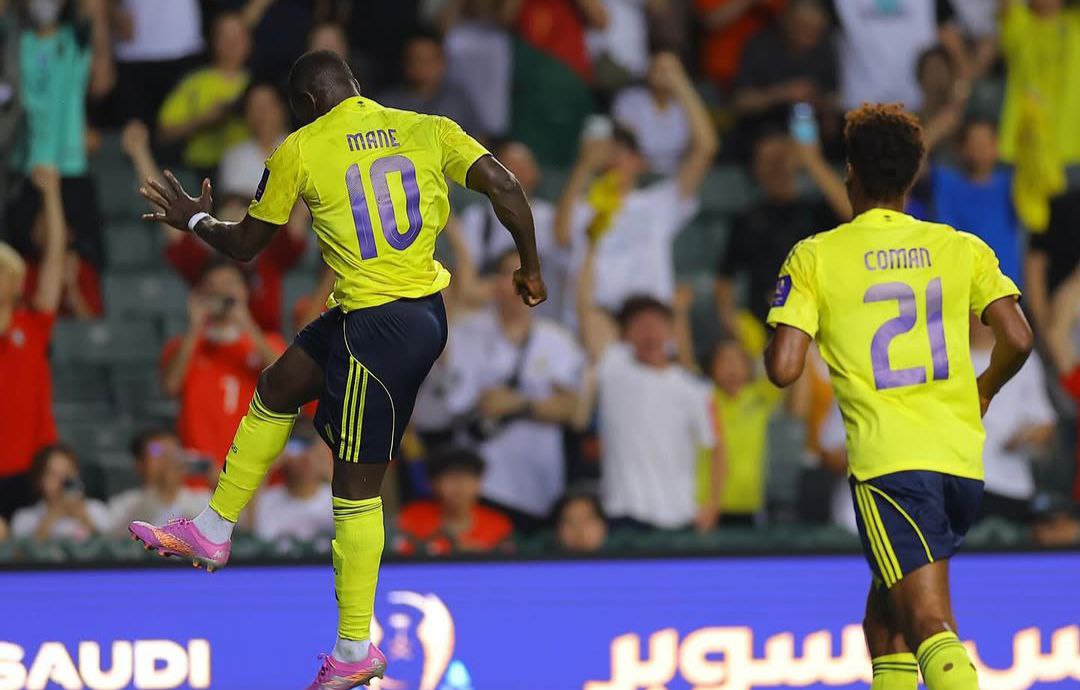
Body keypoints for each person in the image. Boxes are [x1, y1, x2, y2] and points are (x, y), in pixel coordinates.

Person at [129, 50, 546, 688]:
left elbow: (246, 245)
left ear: (306, 104)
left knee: (354, 487)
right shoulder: (428, 127)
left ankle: (354, 650)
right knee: (277, 385)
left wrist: (194, 218)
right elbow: (507, 188)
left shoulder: (300, 147)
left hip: (380, 329)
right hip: (401, 312)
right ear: (355, 85)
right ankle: (213, 528)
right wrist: (530, 267)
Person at [764, 103, 1033, 690]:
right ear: (912, 177)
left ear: (850, 172)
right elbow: (1017, 337)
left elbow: (784, 369)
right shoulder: (960, 246)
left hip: (891, 465)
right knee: (884, 623)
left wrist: (781, 315)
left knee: (926, 621)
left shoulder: (816, 255)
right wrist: (983, 389)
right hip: (960, 462)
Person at [555, 52, 717, 313]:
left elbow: (705, 147)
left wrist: (678, 82)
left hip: (647, 321)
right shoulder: (584, 206)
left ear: (641, 161)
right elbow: (561, 235)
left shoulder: (657, 202)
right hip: (595, 321)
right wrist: (584, 165)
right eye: (610, 149)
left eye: (624, 149)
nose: (615, 156)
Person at [121, 118, 307, 334]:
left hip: (263, 351)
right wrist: (139, 152)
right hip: (208, 350)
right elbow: (167, 206)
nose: (235, 220)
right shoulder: (202, 263)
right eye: (228, 215)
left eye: (243, 213)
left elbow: (304, 203)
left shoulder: (272, 256)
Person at [445, 249, 584, 530]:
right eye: (513, 275)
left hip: (540, 485)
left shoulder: (557, 340)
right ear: (496, 282)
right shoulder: (467, 331)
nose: (522, 283)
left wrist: (519, 404)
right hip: (484, 485)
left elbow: (574, 410)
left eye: (530, 274)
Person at [589, 295, 722, 531]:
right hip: (623, 512)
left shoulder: (696, 389)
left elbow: (717, 448)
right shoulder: (613, 367)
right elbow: (588, 314)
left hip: (679, 514)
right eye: (639, 326)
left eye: (656, 325)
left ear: (671, 331)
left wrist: (712, 504)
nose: (649, 333)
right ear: (625, 334)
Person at [715, 130, 848, 341]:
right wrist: (733, 324)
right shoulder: (747, 219)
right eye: (767, 161)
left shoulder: (816, 211)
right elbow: (725, 278)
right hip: (765, 331)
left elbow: (851, 212)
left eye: (781, 158)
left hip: (819, 328)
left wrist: (813, 161)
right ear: (755, 168)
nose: (776, 167)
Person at [160, 260, 286, 470]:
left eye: (229, 283)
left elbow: (285, 382)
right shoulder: (182, 346)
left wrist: (246, 322)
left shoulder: (270, 342)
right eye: (211, 285)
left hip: (257, 473)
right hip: (200, 472)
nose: (221, 291)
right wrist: (194, 327)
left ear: (245, 290)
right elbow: (171, 386)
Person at [0, 167, 64, 521]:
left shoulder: (33, 324)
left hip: (30, 467)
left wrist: (51, 195)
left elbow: (54, 257)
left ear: (17, 283)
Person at [701, 338, 804, 526]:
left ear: (749, 367)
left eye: (738, 361)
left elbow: (784, 370)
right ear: (711, 366)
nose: (732, 368)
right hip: (708, 505)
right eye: (724, 361)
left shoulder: (758, 397)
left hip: (750, 504)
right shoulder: (703, 398)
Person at [969, 317, 1056, 524]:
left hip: (1010, 488)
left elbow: (1045, 425)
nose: (976, 320)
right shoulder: (945, 360)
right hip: (960, 484)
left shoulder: (1023, 359)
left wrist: (1021, 439)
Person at [157, 11, 251, 176]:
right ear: (213, 41)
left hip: (248, 169)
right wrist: (203, 120)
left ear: (249, 41)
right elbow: (164, 131)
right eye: (225, 37)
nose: (232, 43)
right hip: (200, 171)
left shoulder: (259, 85)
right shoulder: (194, 83)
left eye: (238, 36)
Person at [932, 119, 1023, 286]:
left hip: (1004, 287)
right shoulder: (945, 182)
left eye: (986, 142)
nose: (980, 149)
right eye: (974, 142)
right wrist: (943, 123)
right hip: (959, 284)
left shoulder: (1012, 185)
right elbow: (914, 164)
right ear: (961, 148)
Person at [396, 447, 514, 554]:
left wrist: (481, 556)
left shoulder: (498, 524)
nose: (459, 485)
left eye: (467, 477)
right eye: (450, 477)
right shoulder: (412, 518)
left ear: (479, 483)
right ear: (433, 483)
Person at [378, 32, 484, 138]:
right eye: (417, 60)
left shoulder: (457, 100)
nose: (422, 66)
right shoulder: (387, 105)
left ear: (441, 62)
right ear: (405, 63)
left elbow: (479, 138)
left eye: (428, 60)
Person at [108, 430, 210, 532]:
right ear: (140, 464)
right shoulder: (125, 504)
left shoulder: (205, 500)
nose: (168, 460)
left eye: (173, 452)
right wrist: (164, 494)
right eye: (158, 453)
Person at [611, 52, 691, 177]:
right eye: (661, 69)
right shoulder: (629, 100)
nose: (666, 75)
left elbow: (700, 146)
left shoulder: (687, 105)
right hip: (638, 175)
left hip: (678, 176)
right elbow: (626, 145)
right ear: (649, 72)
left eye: (672, 70)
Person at [11, 444, 111, 542]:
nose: (62, 481)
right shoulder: (25, 518)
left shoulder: (96, 510)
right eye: (53, 474)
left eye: (68, 473)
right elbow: (22, 550)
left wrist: (83, 516)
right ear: (39, 481)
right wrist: (52, 517)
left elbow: (108, 546)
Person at [252, 428, 334, 543]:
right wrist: (267, 467)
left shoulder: (335, 500)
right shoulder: (267, 499)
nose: (305, 457)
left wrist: (328, 470)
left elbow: (354, 528)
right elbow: (249, 533)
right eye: (296, 448)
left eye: (310, 449)